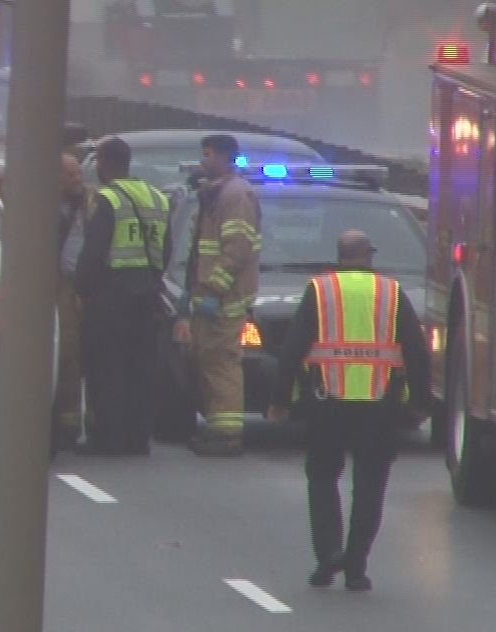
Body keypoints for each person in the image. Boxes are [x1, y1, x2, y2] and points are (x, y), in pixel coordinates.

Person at [268, 230, 429, 592]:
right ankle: (356, 567)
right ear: (368, 256)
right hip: (380, 406)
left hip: (327, 404)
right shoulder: (391, 293)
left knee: (323, 478)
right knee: (370, 486)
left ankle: (328, 555)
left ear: (339, 257)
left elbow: (293, 348)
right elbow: (416, 351)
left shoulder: (320, 291)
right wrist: (420, 402)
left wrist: (280, 399)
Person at [74, 136, 172, 455]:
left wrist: (82, 289)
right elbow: (166, 250)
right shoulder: (157, 198)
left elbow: (94, 252)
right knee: (142, 368)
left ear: (104, 163)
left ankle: (109, 439)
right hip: (147, 295)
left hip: (111, 296)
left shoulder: (106, 199)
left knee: (107, 368)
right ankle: (138, 438)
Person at [182, 132, 262, 456]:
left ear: (225, 157)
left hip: (226, 299)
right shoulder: (214, 193)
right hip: (210, 295)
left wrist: (215, 287)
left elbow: (237, 249)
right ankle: (216, 427)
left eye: (208, 155)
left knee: (223, 366)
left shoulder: (236, 195)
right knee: (208, 362)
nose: (203, 161)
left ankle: (227, 435)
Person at [52, 151, 91, 455]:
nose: (79, 180)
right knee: (64, 355)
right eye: (71, 175)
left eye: (79, 173)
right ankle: (62, 422)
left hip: (82, 287)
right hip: (55, 287)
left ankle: (71, 424)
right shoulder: (43, 207)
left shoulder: (91, 203)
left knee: (74, 356)